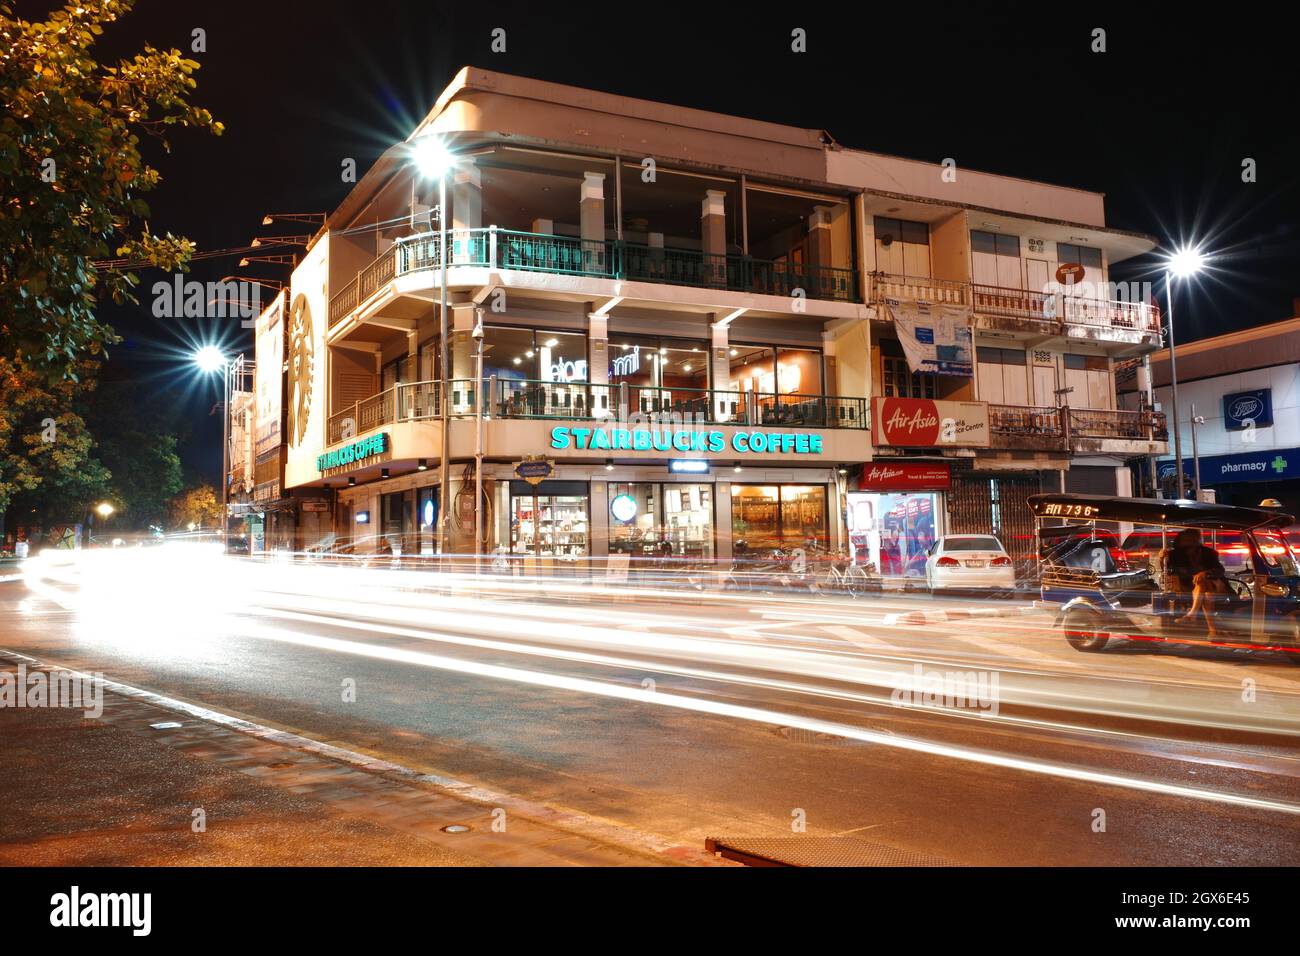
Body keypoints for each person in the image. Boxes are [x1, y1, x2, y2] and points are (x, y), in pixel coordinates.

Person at [1160, 529, 1229, 636]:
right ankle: (1212, 630)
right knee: (1207, 593)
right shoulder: (1175, 555)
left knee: (1203, 580)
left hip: (1215, 584)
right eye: (1187, 539)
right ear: (1181, 541)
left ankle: (1192, 614)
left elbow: (1220, 570)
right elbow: (1169, 571)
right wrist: (1162, 558)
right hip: (1191, 587)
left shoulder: (1208, 553)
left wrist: (1205, 573)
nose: (1190, 542)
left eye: (1193, 539)